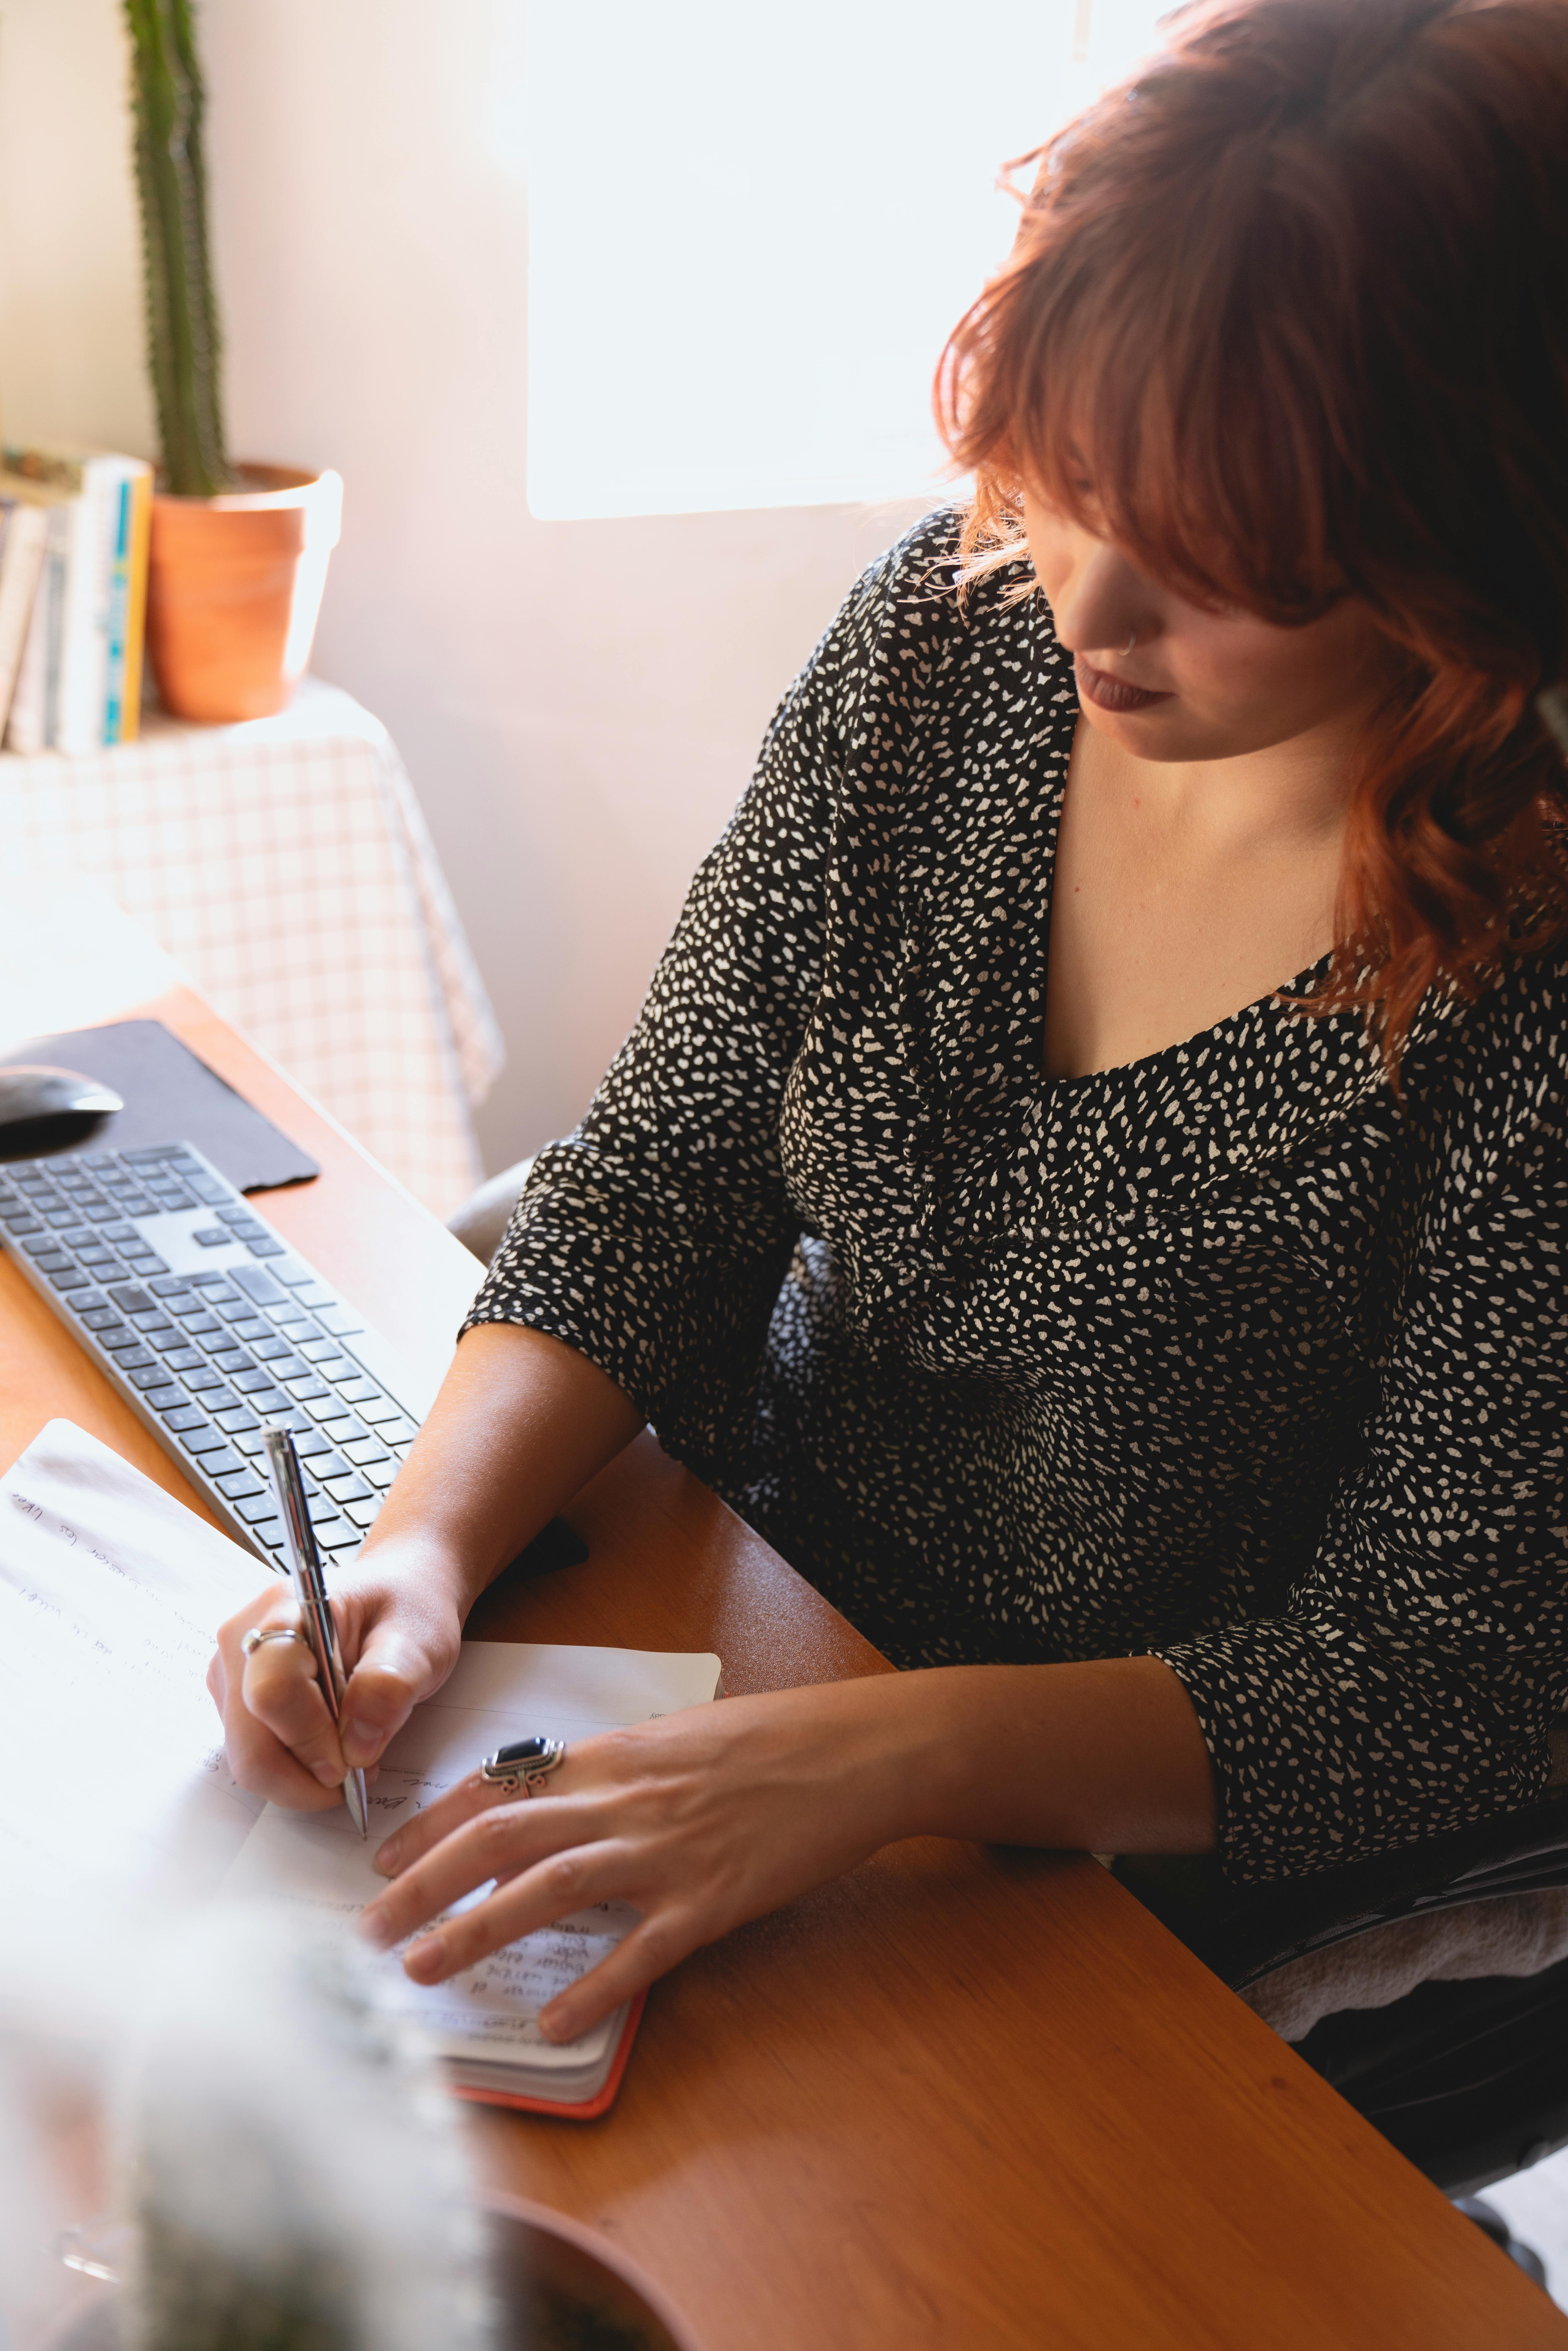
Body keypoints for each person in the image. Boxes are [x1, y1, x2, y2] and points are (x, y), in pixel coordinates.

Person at [210, 0, 1568, 2048]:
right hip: (754, 1620)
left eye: (1235, 569)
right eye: (1080, 479)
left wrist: (883, 1767)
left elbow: (1442, 1672)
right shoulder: (949, 647)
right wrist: (420, 1556)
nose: (1095, 607)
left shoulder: (1519, 960)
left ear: (1465, 547)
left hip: (1118, 1841)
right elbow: (668, 1163)